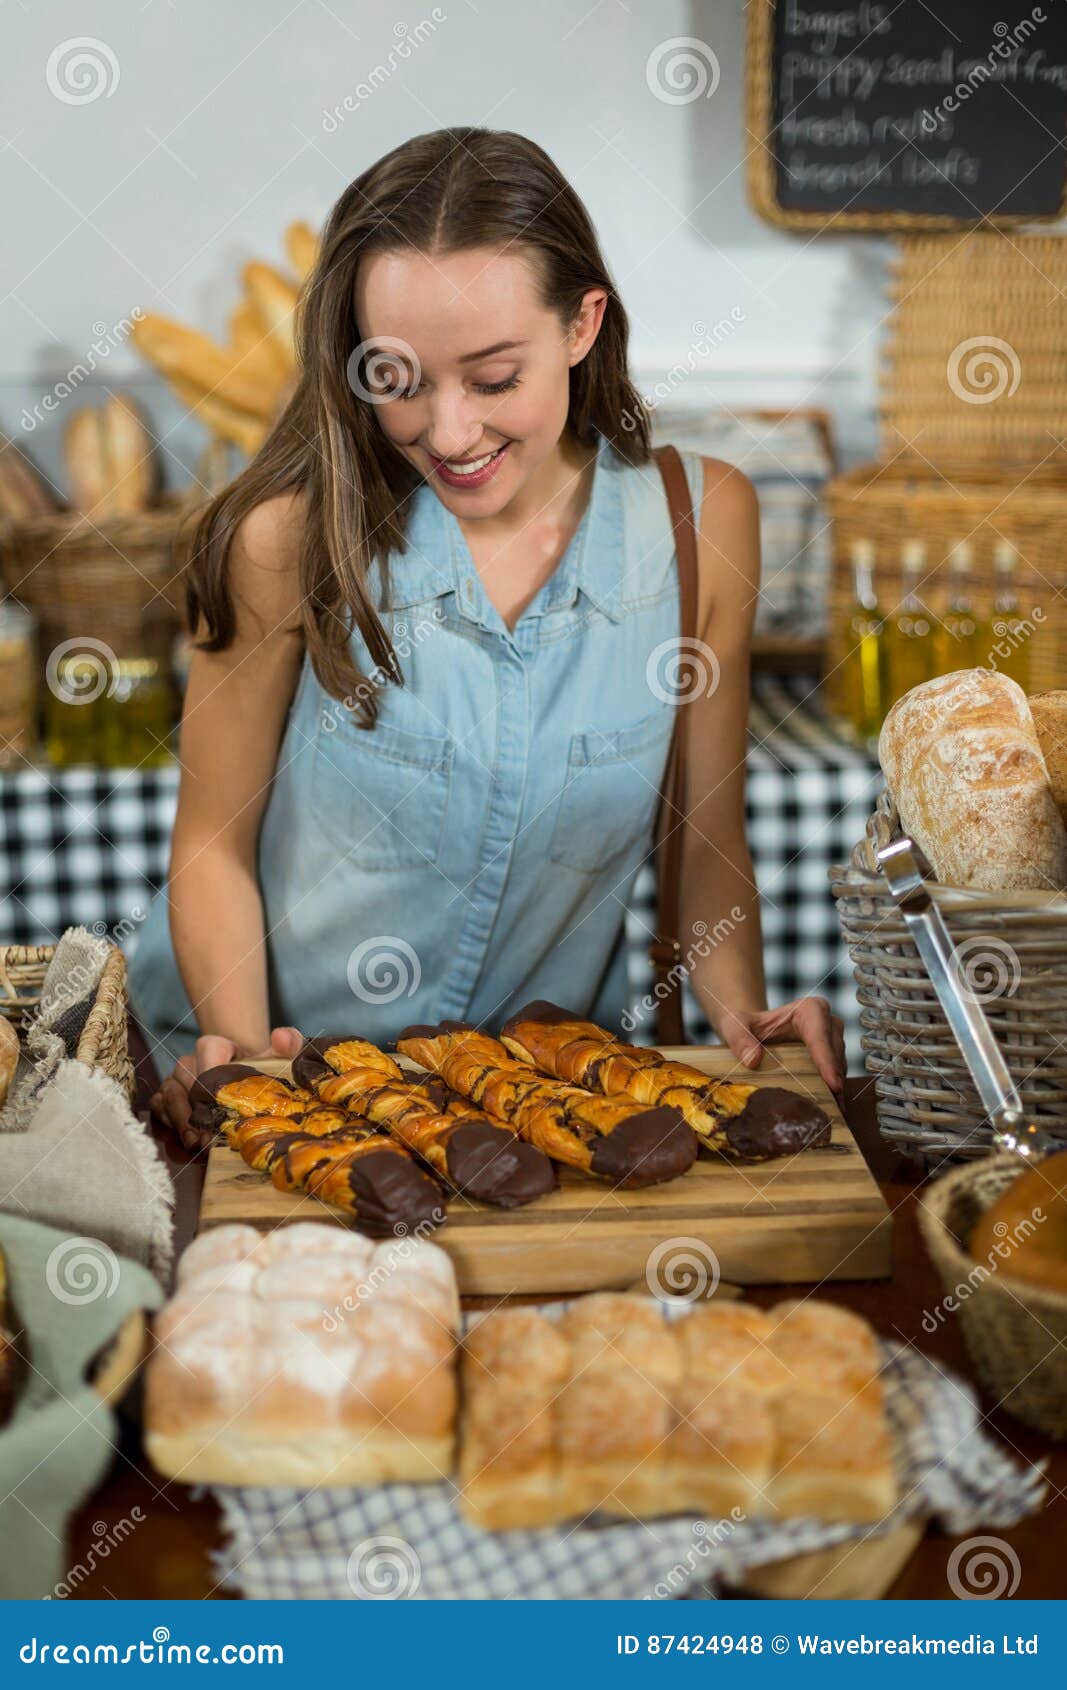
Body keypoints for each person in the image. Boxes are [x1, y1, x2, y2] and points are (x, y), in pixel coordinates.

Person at [133, 126, 844, 1151]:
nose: (449, 431)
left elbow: (705, 842)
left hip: (536, 1118)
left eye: (493, 377)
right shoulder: (287, 539)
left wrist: (740, 1017)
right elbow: (209, 843)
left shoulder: (701, 526)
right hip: (300, 1110)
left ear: (581, 324)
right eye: (400, 380)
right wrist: (246, 1062)